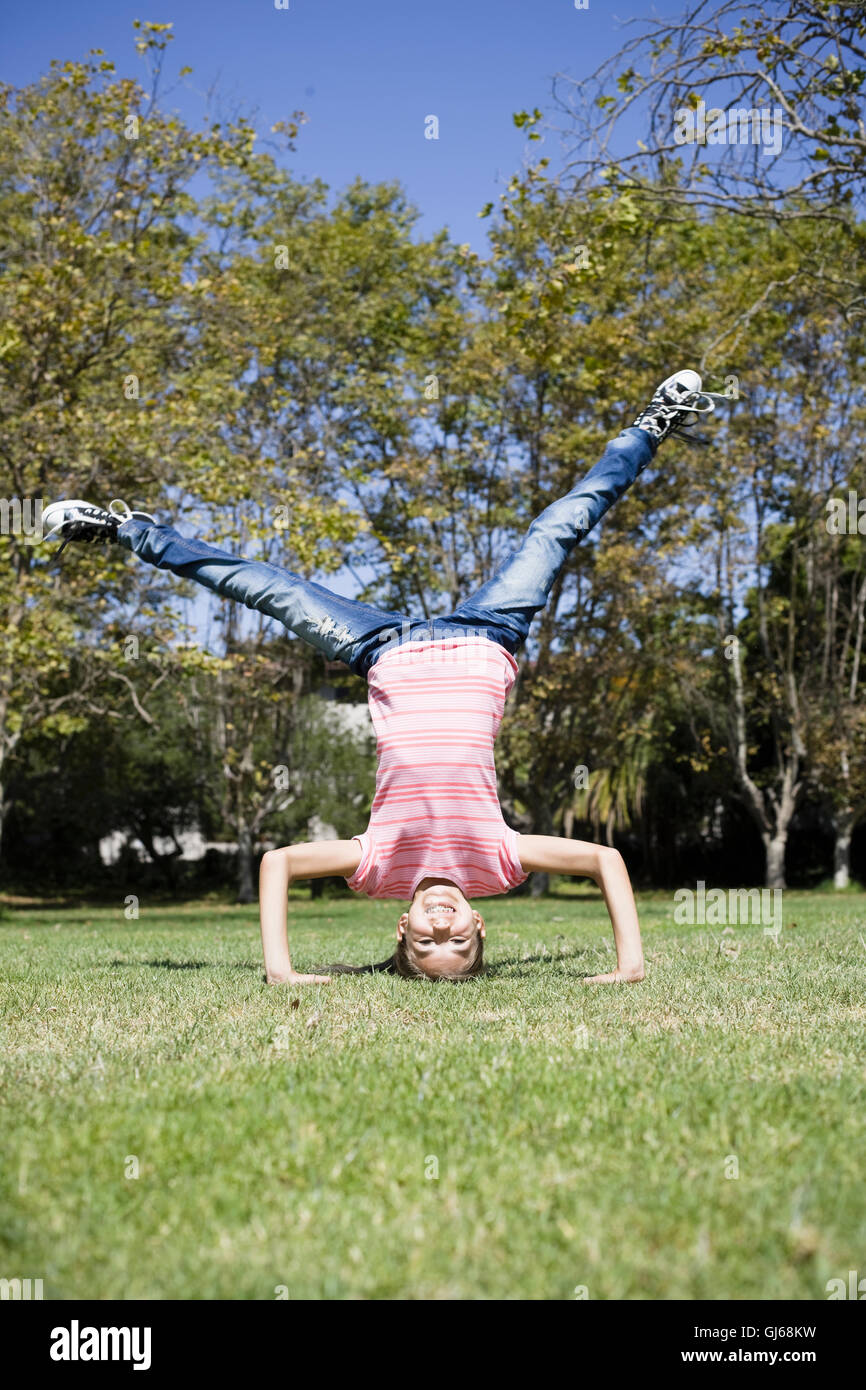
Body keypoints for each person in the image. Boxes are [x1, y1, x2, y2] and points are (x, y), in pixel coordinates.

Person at [42, 370, 718, 985]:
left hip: (383, 650)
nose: (443, 931)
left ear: (402, 929)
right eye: (460, 944)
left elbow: (276, 864)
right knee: (555, 529)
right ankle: (653, 425)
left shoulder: (376, 871)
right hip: (490, 636)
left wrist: (282, 972)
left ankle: (125, 529)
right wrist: (630, 965)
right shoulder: (502, 863)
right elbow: (606, 864)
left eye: (426, 947)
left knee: (267, 587)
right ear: (481, 926)